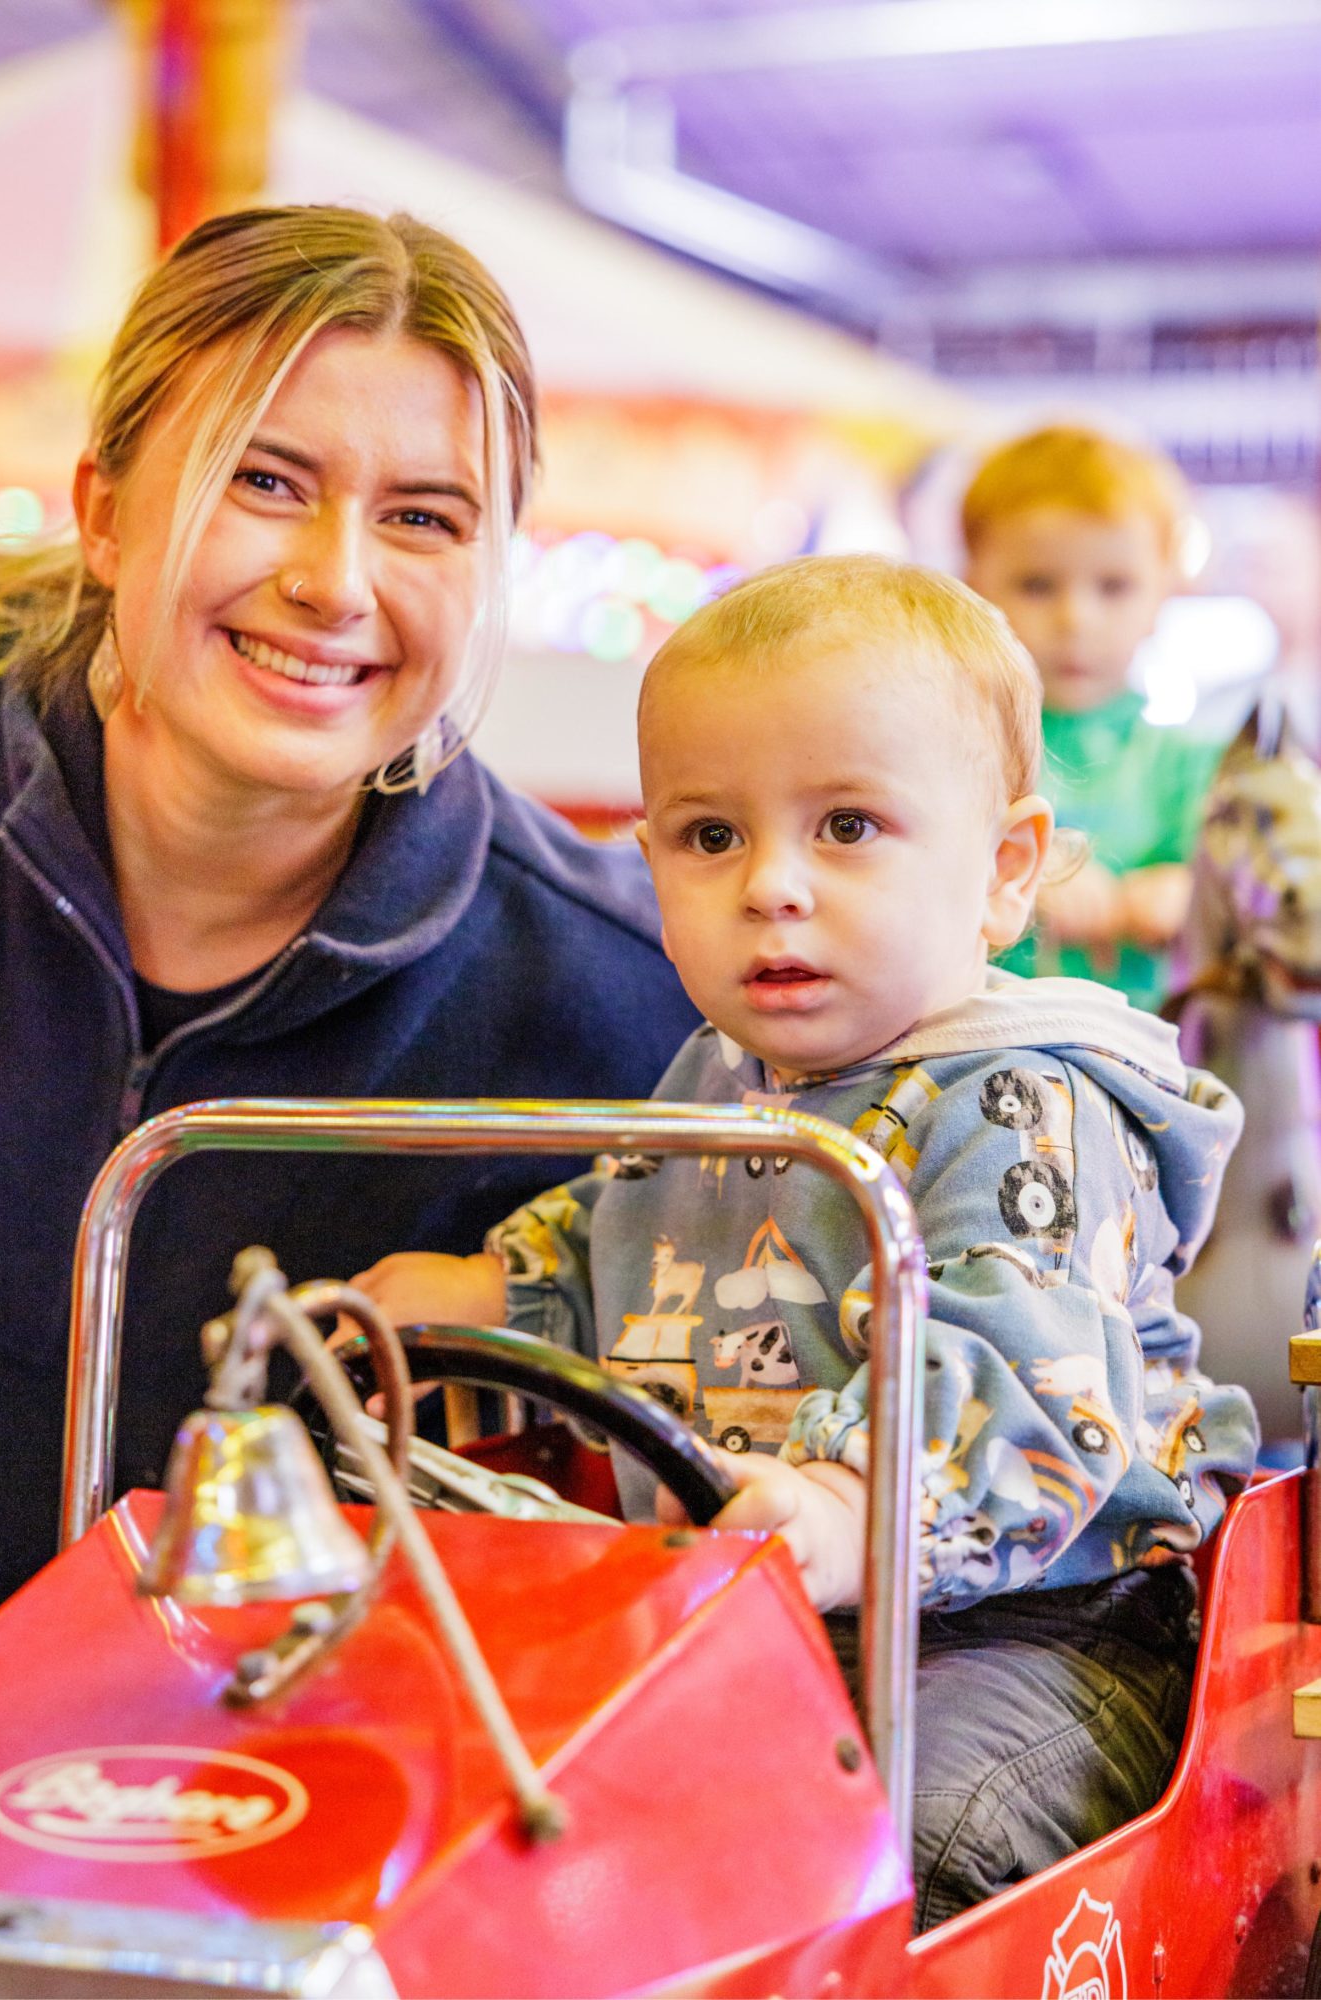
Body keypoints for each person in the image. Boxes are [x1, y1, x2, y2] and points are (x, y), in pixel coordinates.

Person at [0, 205, 699, 1756]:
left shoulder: (616, 997)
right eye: (264, 480)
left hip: (301, 1786)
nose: (333, 581)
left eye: (424, 517)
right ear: (105, 512)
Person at [354, 554, 1258, 1930]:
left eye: (847, 826)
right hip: (756, 1601)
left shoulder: (1020, 1106)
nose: (771, 885)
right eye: (711, 835)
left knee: (906, 1846)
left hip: (1031, 1623)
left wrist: (849, 1502)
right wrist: (499, 1289)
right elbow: (629, 1232)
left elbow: (1031, 1391)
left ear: (1004, 870)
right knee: (484, 1778)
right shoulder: (718, 1080)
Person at [963, 425, 1226, 1012]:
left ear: (1163, 595)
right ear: (974, 588)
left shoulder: (1189, 762)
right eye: (1037, 585)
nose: (1076, 619)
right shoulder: (959, 750)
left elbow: (1245, 895)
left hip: (1154, 1042)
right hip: (986, 1039)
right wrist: (1021, 878)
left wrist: (1182, 894)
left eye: (1114, 587)